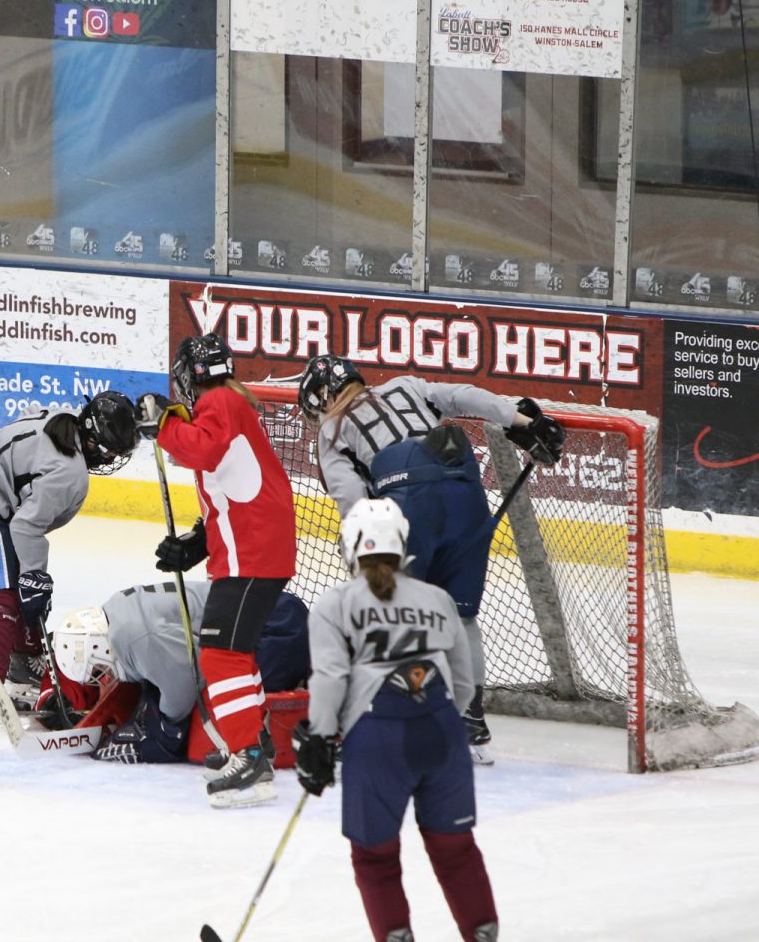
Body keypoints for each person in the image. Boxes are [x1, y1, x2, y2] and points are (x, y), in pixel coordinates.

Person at [297, 354, 566, 765]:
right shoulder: (407, 384)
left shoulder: (333, 429)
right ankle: (469, 722)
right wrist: (523, 423)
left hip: (410, 508)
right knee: (460, 617)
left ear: (322, 395)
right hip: (466, 496)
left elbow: (350, 498)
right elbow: (466, 396)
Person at [294, 497, 499, 942]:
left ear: (351, 547)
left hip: (377, 740)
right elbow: (464, 686)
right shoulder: (438, 599)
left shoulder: (335, 604)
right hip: (442, 731)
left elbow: (330, 677)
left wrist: (321, 738)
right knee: (457, 851)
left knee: (375, 859)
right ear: (403, 544)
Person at [135, 332, 298, 809]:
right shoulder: (226, 405)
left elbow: (202, 451)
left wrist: (164, 422)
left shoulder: (222, 401)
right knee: (237, 651)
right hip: (250, 549)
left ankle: (248, 757)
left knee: (220, 654)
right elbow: (234, 486)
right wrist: (198, 543)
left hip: (253, 554)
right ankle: (255, 745)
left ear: (188, 377)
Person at [0, 391, 140, 713]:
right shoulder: (69, 473)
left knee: (27, 594)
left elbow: (29, 414)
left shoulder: (65, 416)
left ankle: (5, 647)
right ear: (90, 436)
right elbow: (25, 527)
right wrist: (34, 575)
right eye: (107, 450)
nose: (110, 459)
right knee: (3, 600)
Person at [46, 581, 311, 765]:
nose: (103, 676)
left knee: (205, 712)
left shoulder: (136, 638)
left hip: (280, 634)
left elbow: (186, 685)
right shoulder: (116, 610)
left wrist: (154, 737)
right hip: (278, 614)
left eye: (98, 669)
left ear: (97, 647)